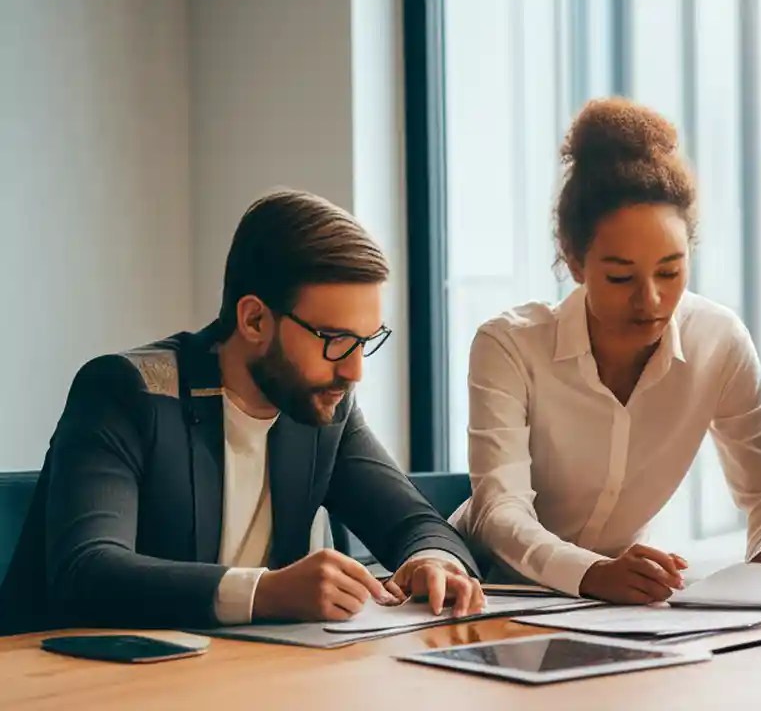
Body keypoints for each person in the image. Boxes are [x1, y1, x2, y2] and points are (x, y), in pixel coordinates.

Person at [0, 190, 482, 635]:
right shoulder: (125, 392)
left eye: (365, 341)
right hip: (77, 674)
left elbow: (415, 523)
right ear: (254, 319)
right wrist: (265, 592)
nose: (354, 371)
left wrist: (433, 562)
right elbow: (87, 572)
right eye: (335, 340)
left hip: (239, 674)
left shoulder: (320, 406)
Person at [451, 98, 761, 603]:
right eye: (621, 277)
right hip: (484, 589)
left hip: (613, 606)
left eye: (670, 271)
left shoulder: (718, 341)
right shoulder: (509, 345)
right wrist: (593, 573)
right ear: (573, 259)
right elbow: (499, 512)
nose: (651, 301)